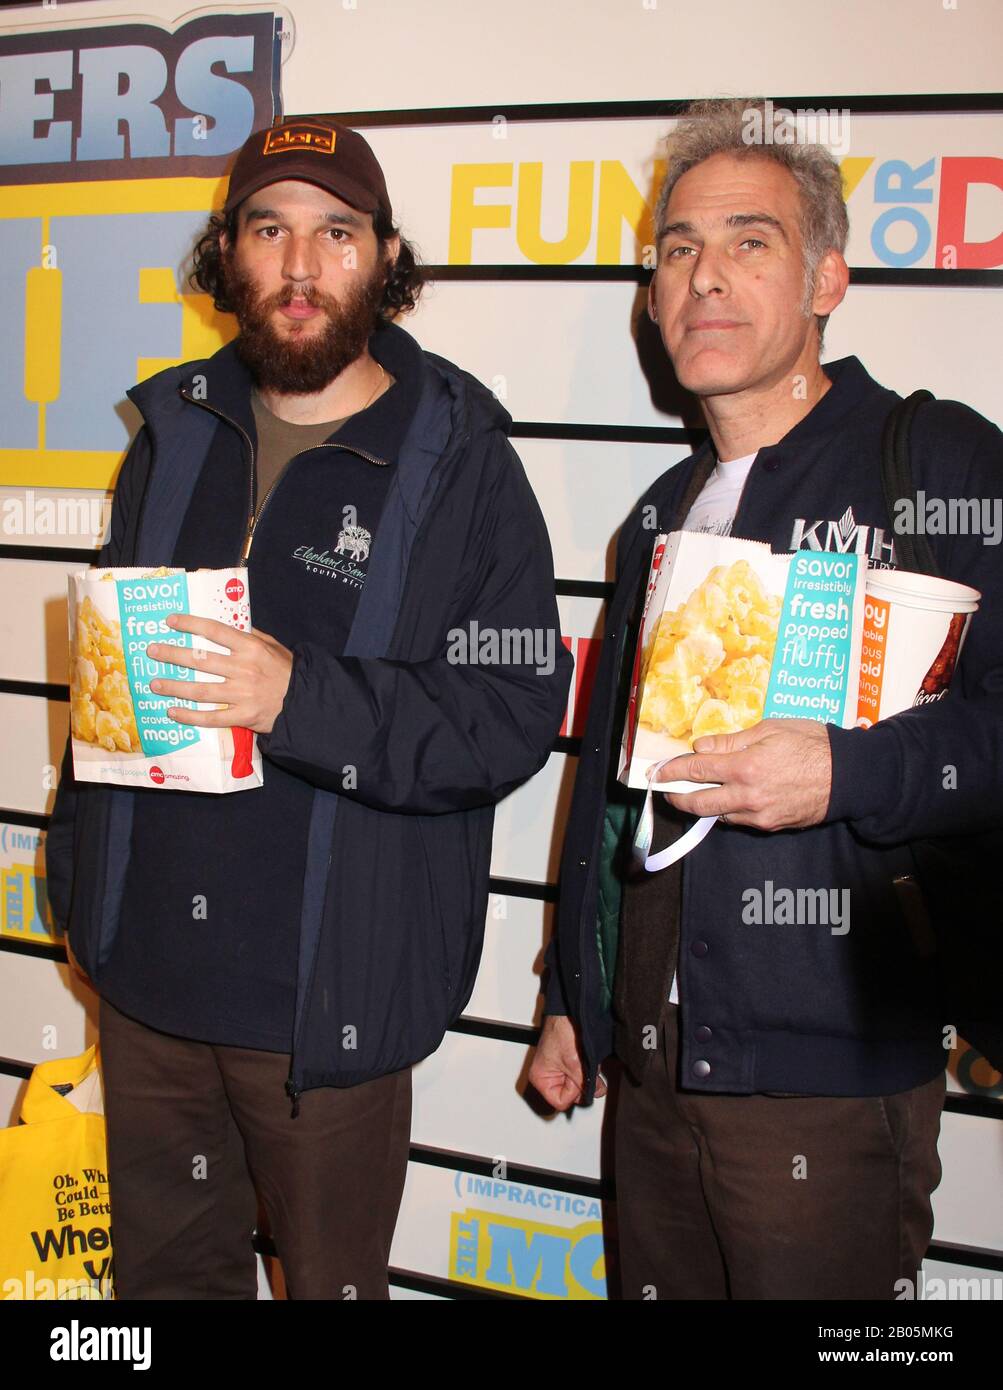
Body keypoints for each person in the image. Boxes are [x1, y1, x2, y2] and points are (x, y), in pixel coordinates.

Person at [47, 117, 572, 1300]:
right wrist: (85, 897)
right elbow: (110, 694)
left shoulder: (462, 460)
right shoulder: (170, 431)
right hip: (148, 991)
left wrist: (302, 698)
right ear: (225, 253)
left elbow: (510, 707)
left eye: (335, 232)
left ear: (385, 257)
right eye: (269, 229)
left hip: (323, 1013)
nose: (299, 265)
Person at [530, 96, 1003, 1300]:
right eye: (677, 249)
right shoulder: (656, 515)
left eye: (750, 242)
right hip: (649, 1066)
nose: (704, 278)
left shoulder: (936, 460)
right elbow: (604, 788)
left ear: (828, 275)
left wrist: (847, 773)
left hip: (831, 1077)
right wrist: (572, 997)